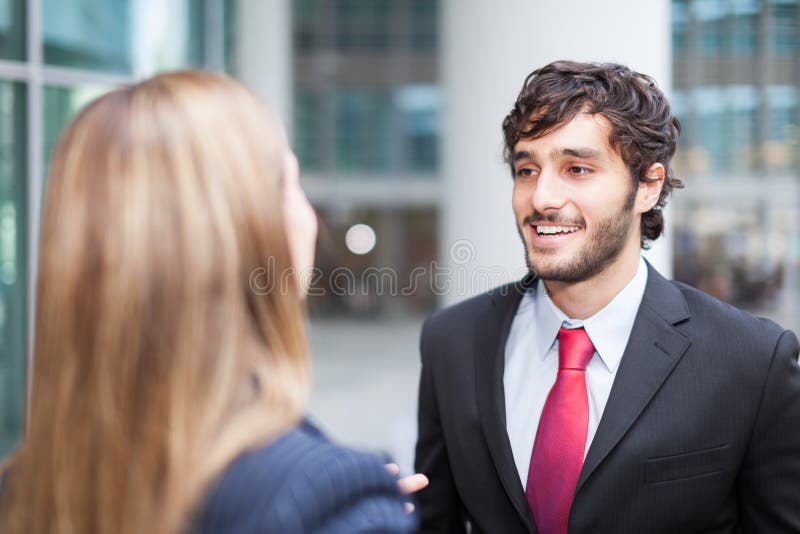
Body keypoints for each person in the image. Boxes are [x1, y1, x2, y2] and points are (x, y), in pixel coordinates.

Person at [0, 70, 424, 534]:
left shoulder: (22, 488)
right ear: (254, 233)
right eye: (291, 183)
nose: (310, 218)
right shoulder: (328, 501)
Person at [414, 60, 800, 533]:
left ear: (647, 186)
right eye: (527, 169)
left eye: (576, 168)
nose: (542, 197)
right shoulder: (450, 341)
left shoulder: (752, 360)